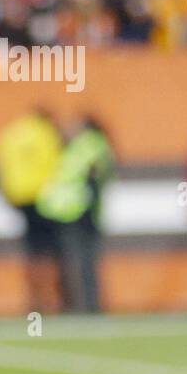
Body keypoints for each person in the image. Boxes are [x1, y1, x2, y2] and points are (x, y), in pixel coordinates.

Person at [37, 116, 115, 314]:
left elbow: (88, 176)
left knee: (77, 261)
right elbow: (99, 176)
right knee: (84, 262)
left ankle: (81, 306)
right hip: (78, 210)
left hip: (71, 210)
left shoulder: (82, 146)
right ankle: (87, 305)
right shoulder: (93, 145)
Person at [0, 108, 62, 315]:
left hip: (19, 198)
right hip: (43, 198)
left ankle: (34, 299)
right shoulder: (45, 133)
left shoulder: (12, 132)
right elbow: (56, 165)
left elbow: (2, 164)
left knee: (32, 250)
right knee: (47, 252)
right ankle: (48, 300)